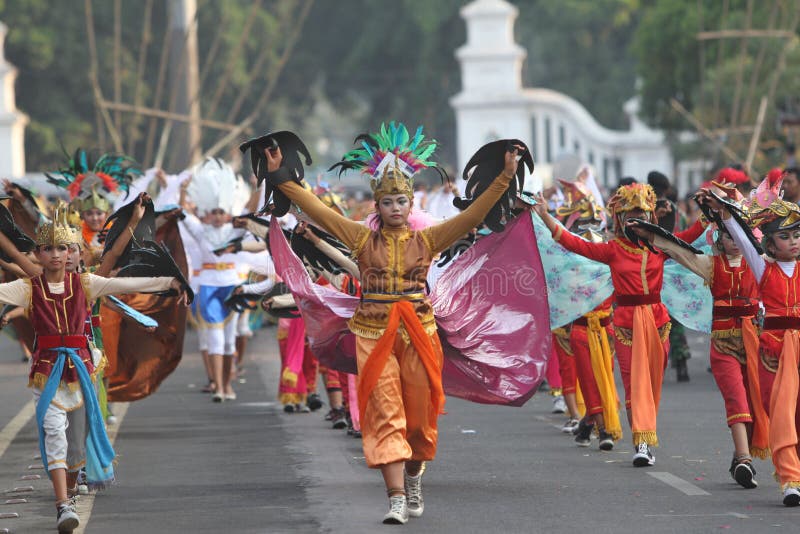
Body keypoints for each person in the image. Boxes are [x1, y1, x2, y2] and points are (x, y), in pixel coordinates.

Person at [257, 122, 518, 524]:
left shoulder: (428, 240)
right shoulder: (362, 240)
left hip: (419, 334)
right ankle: (395, 496)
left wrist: (504, 176)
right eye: (387, 202)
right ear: (376, 206)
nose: (395, 208)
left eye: (401, 201)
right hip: (372, 333)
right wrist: (280, 178)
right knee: (383, 413)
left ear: (410, 203)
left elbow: (475, 216)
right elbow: (318, 211)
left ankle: (413, 475)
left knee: (419, 419)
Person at [0, 209, 185, 532]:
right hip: (46, 372)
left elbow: (122, 281)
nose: (57, 255)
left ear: (72, 252)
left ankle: (70, 490)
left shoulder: (86, 284)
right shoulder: (28, 288)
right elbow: (13, 259)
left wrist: (168, 282)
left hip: (82, 370)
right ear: (39, 254)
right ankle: (62, 505)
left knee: (75, 444)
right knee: (54, 434)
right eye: (49, 249)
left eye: (63, 248)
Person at [534, 182, 704, 468]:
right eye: (629, 215)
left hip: (658, 321)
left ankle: (646, 435)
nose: (635, 219)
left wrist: (716, 210)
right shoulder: (612, 250)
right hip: (625, 324)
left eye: (641, 213)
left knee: (651, 386)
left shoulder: (662, 246)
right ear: (620, 219)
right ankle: (641, 443)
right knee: (632, 384)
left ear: (650, 216)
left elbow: (693, 234)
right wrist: (544, 215)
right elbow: (573, 243)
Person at [628, 182, 768, 489]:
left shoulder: (760, 267)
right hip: (723, 346)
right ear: (719, 237)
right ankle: (744, 459)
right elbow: (680, 252)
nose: (734, 242)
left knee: (758, 405)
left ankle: (737, 457)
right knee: (736, 399)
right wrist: (651, 235)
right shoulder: (711, 265)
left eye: (738, 237)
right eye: (728, 236)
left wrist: (726, 203)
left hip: (755, 344)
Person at [697, 175, 800, 506]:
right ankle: (789, 479)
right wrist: (724, 213)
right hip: (771, 352)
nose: (794, 242)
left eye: (797, 234)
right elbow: (742, 240)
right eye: (785, 236)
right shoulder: (763, 269)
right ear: (769, 244)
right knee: (780, 415)